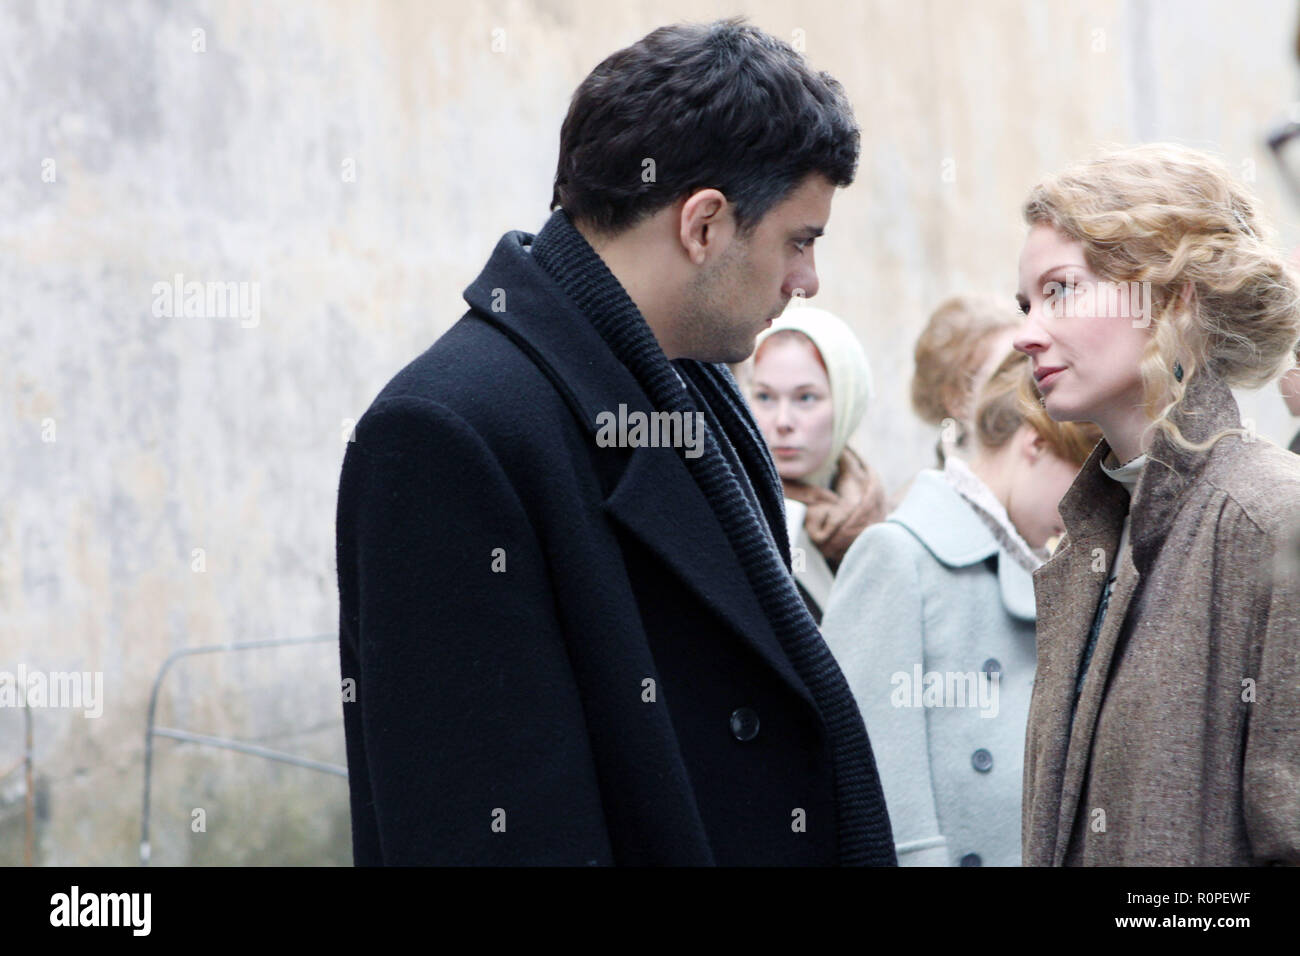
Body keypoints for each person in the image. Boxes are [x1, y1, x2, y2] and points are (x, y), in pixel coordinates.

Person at [335, 17, 897, 866]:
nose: (807, 281)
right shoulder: (448, 429)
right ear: (704, 225)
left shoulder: (691, 383)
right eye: (799, 240)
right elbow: (485, 829)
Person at [1014, 143, 1300, 866]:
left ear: (1174, 295)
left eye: (1060, 290)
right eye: (1025, 302)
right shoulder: (1090, 535)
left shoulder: (1270, 521)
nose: (1025, 332)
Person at [820, 351, 1100, 866]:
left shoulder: (1039, 564)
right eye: (1085, 479)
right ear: (1035, 443)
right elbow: (873, 778)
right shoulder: (898, 554)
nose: (1089, 510)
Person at [748, 306, 887, 621]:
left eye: (806, 398)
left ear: (849, 402)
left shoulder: (878, 513)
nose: (782, 422)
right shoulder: (738, 513)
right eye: (765, 397)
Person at [911, 295, 1021, 465]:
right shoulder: (942, 488)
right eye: (1008, 371)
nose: (1032, 380)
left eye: (1029, 360)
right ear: (957, 400)